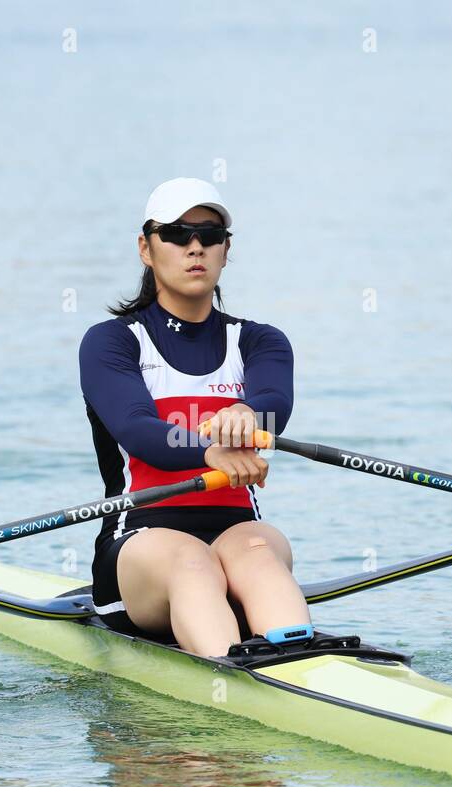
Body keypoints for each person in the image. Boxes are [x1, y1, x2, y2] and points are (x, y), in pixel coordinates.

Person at [78, 177, 311, 657]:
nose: (195, 246)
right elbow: (137, 430)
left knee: (262, 553)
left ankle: (300, 667)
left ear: (227, 251)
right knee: (192, 562)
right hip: (139, 538)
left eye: (210, 235)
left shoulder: (260, 340)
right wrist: (212, 450)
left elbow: (273, 406)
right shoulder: (112, 342)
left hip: (236, 526)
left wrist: (249, 414)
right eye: (178, 234)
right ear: (146, 248)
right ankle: (233, 683)